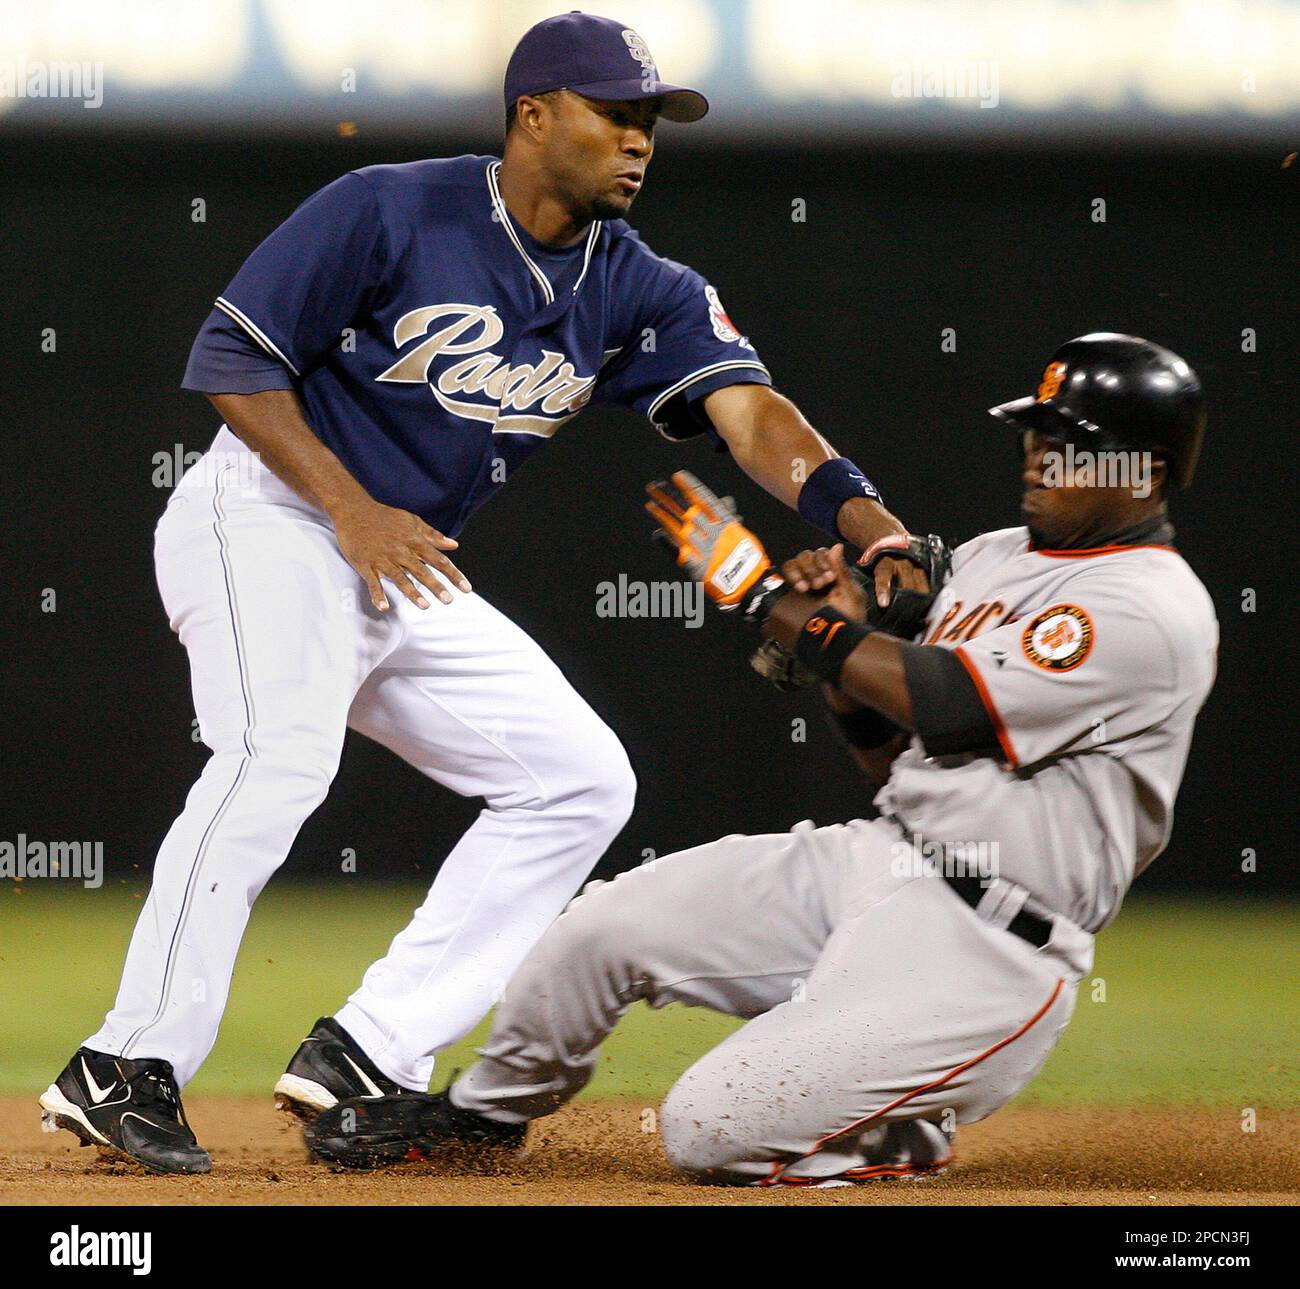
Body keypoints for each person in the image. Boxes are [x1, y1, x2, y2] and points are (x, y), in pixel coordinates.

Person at [38, 12, 918, 1175]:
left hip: (401, 558)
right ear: (532, 114)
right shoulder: (390, 206)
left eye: (651, 121)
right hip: (268, 517)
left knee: (578, 778)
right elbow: (233, 362)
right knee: (276, 758)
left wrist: (872, 519)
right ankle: (123, 1063)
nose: (639, 141)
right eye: (616, 114)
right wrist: (350, 510)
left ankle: (368, 1044)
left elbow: (751, 415)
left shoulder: (638, 284)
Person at [304, 334, 1219, 1187]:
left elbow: (950, 702)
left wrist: (772, 601)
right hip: (880, 859)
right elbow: (890, 749)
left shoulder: (1149, 607)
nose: (1039, 455)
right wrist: (844, 646)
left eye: (1069, 440)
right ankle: (482, 1120)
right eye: (1036, 432)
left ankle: (891, 1126)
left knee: (707, 1130)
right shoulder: (991, 559)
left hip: (991, 944)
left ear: (1149, 469)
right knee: (598, 928)